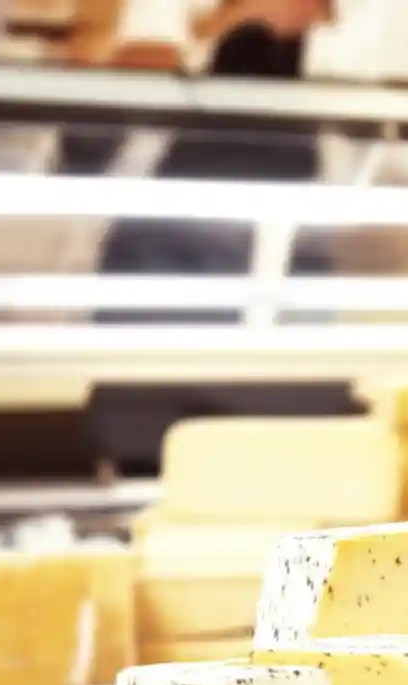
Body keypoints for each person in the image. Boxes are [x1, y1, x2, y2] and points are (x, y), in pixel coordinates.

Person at [88, 0, 358, 478]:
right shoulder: (163, 24)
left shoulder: (346, 51)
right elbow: (85, 147)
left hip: (289, 396)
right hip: (156, 386)